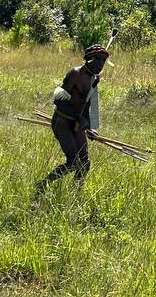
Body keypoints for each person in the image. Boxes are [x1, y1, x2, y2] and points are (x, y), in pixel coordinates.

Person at [36, 44, 110, 189]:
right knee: (73, 162)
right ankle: (43, 184)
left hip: (77, 125)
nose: (101, 64)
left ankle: (75, 193)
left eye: (104, 61)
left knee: (85, 163)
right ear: (90, 59)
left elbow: (88, 105)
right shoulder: (76, 73)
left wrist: (89, 127)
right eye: (98, 60)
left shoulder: (94, 78)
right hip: (62, 122)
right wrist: (78, 117)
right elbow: (58, 99)